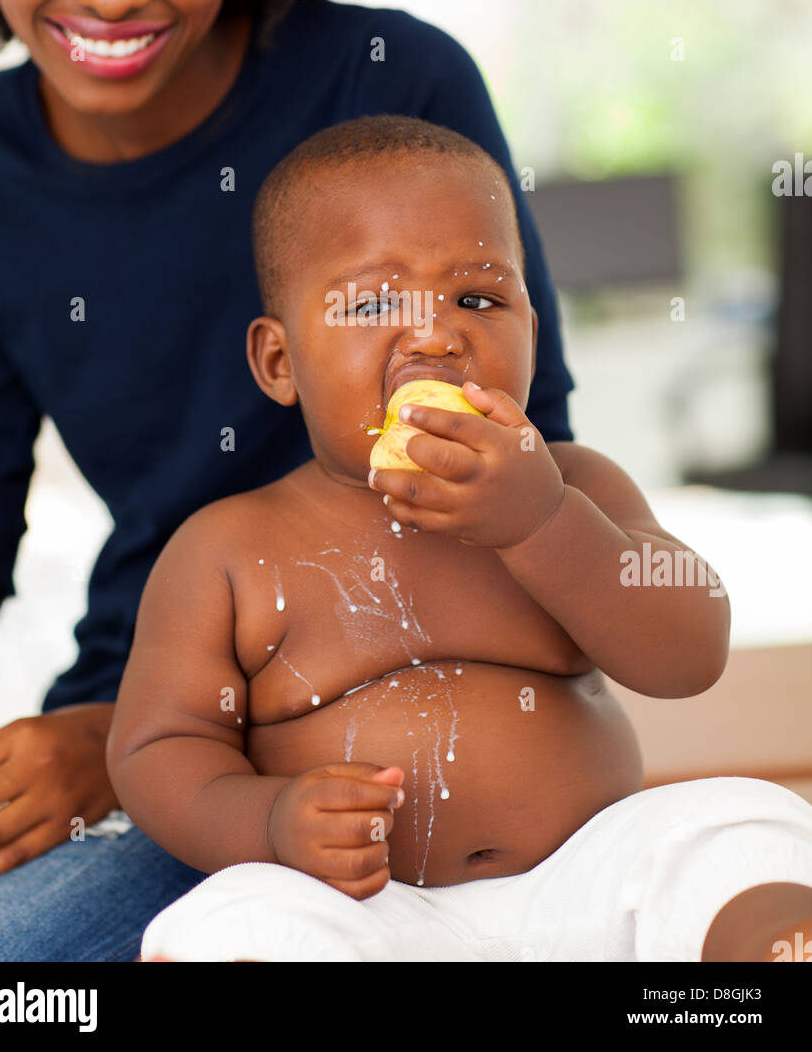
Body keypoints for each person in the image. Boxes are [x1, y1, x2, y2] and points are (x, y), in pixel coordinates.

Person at [0, 0, 575, 960]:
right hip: (146, 708)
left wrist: (127, 745)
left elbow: (531, 451)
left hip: (401, 711)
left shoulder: (388, 85)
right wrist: (122, 734)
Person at [109, 116, 812, 963]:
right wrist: (266, 819)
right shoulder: (228, 549)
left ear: (533, 332)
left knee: (740, 829)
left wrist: (544, 525)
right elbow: (159, 746)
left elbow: (689, 653)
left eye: (478, 299)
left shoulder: (574, 487)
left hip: (589, 885)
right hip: (369, 916)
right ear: (279, 362)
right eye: (374, 303)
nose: (438, 334)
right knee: (233, 921)